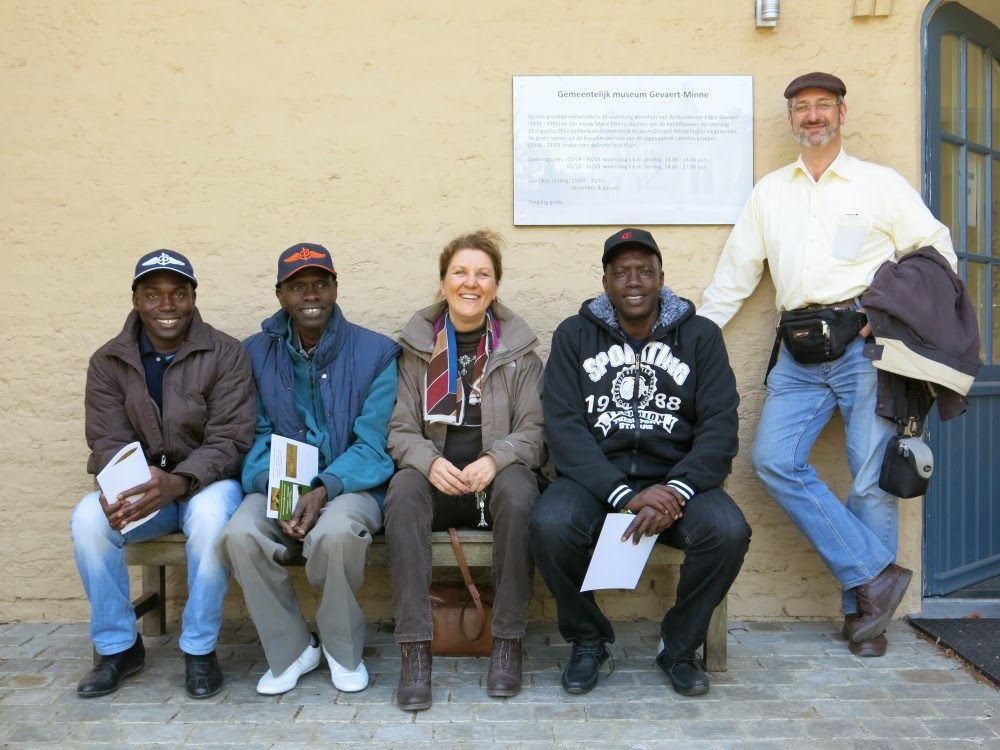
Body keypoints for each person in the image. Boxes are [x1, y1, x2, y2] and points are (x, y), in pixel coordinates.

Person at [699, 72, 959, 657]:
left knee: (869, 482)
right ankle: (875, 575)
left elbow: (938, 254)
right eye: (801, 108)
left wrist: (878, 314)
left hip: (865, 347)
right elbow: (735, 276)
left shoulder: (879, 185)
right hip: (797, 349)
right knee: (772, 460)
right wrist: (691, 336)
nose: (811, 116)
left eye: (822, 106)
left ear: (842, 114)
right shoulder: (771, 191)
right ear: (791, 118)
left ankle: (863, 619)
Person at [530, 228, 751, 697]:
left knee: (728, 531)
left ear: (661, 279)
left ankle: (678, 646)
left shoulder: (701, 337)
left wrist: (674, 492)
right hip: (596, 483)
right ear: (606, 282)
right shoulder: (573, 336)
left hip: (677, 484)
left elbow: (719, 427)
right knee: (549, 524)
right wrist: (626, 496)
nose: (634, 281)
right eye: (622, 272)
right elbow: (564, 428)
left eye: (644, 271)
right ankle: (588, 640)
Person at [71, 249, 256, 699]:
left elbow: (231, 439)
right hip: (143, 490)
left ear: (193, 297)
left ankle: (198, 648)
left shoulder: (226, 353)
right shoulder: (109, 361)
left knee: (212, 520)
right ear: (136, 300)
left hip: (207, 486)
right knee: (88, 520)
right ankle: (118, 647)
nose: (166, 305)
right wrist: (130, 486)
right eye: (153, 294)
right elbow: (107, 438)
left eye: (178, 293)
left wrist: (177, 481)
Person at [217, 243, 399, 695]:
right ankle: (293, 648)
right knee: (240, 534)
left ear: (336, 287)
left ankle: (342, 650)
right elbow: (253, 433)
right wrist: (279, 491)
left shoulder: (376, 352)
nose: (311, 294)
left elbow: (375, 441)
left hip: (350, 485)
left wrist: (322, 488)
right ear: (281, 294)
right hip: (280, 485)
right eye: (298, 286)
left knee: (334, 534)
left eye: (320, 283)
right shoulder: (253, 354)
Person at [384, 230, 545, 711]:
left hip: (492, 482)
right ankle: (415, 650)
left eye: (482, 274)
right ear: (442, 282)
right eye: (460, 272)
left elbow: (535, 431)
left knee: (520, 493)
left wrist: (495, 459)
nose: (470, 283)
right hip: (438, 482)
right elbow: (399, 431)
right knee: (402, 491)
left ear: (496, 285)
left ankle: (507, 642)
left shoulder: (520, 353)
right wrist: (429, 463)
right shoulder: (415, 349)